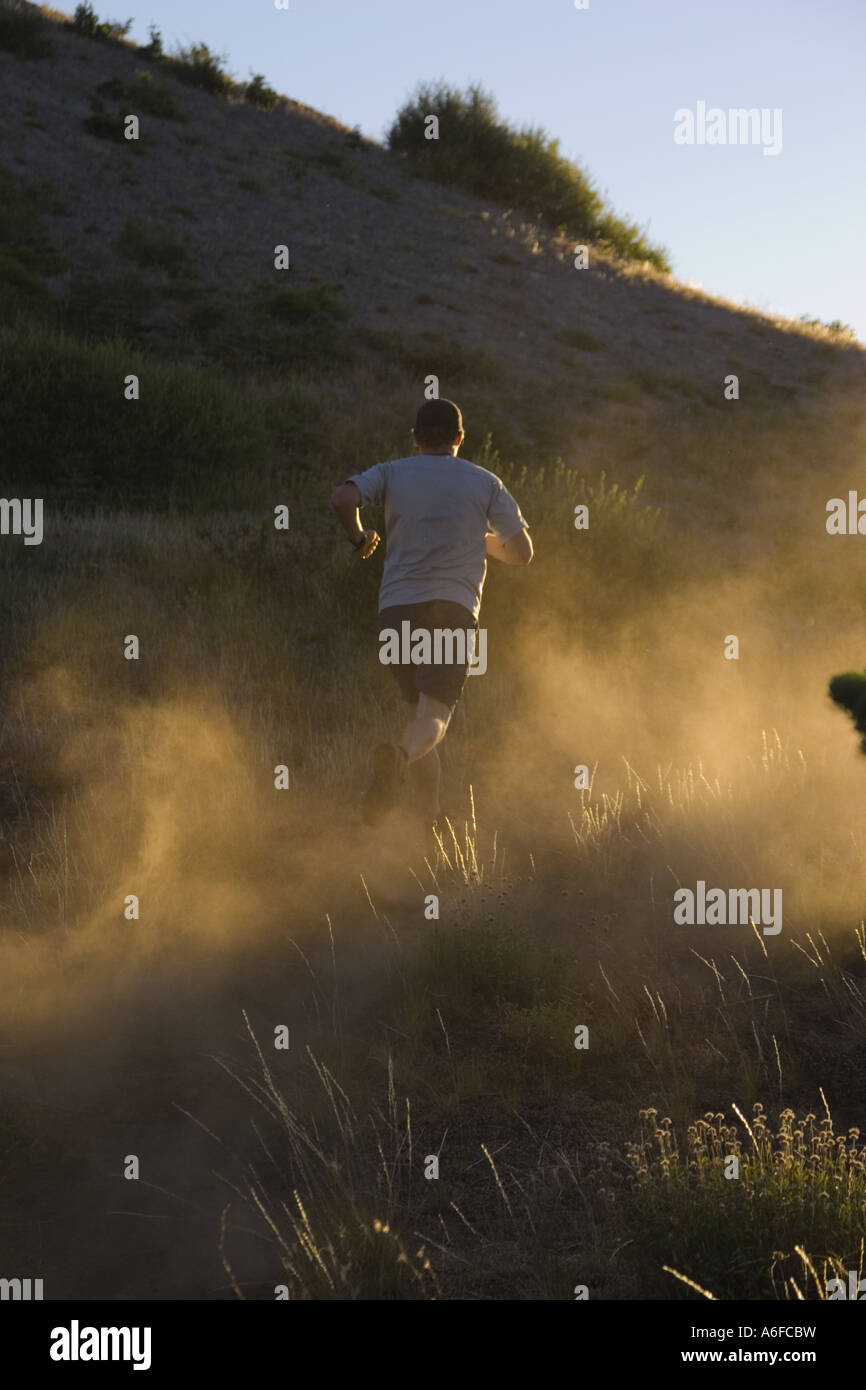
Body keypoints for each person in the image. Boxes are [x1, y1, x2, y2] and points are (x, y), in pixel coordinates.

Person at [330, 398, 533, 826]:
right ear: (460, 438)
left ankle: (431, 822)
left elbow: (343, 496)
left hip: (396, 611)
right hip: (452, 611)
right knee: (435, 717)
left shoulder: (392, 472)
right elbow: (522, 551)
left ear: (415, 438)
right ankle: (398, 758)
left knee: (419, 719)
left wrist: (359, 536)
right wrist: (478, 540)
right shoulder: (485, 482)